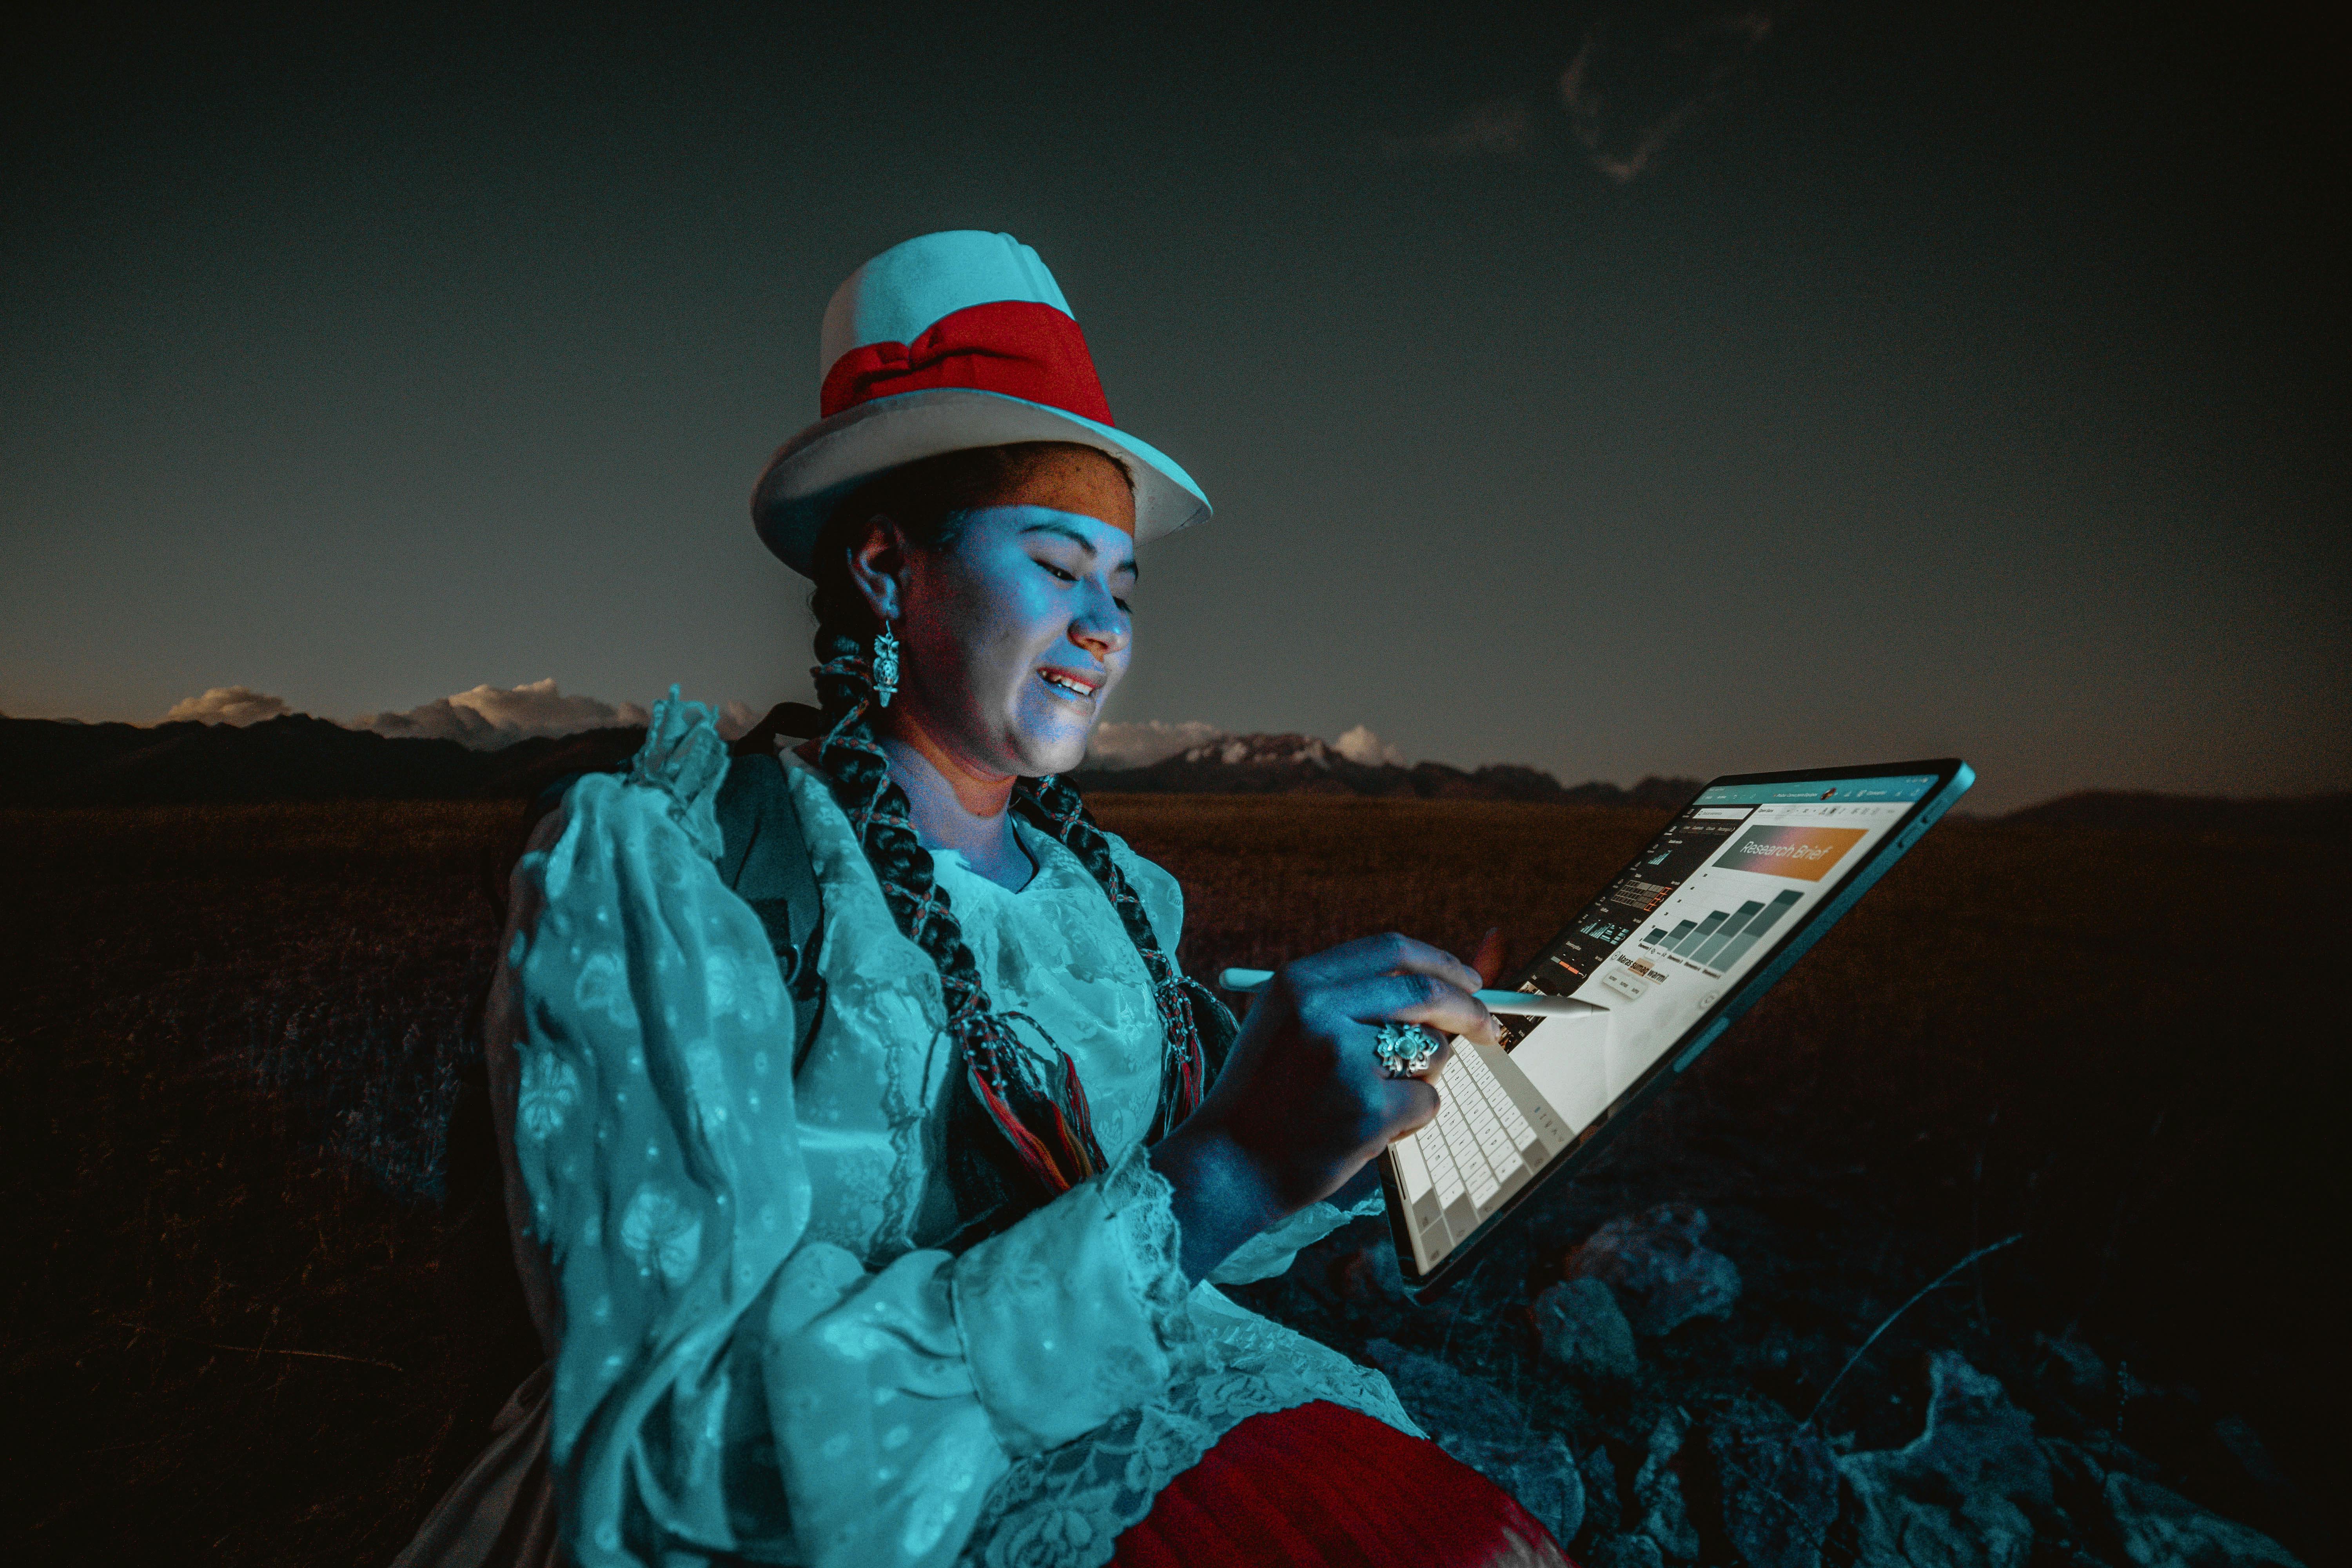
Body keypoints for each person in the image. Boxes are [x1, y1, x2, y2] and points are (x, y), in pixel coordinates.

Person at [393, 231, 1570, 1568]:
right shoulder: (684, 869)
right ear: (889, 570)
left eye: (1123, 589)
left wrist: (1367, 1119)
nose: (1108, 629)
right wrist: (1218, 1175)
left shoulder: (1110, 898)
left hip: (1151, 1408)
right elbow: (688, 1446)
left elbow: (1180, 1229)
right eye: (1060, 570)